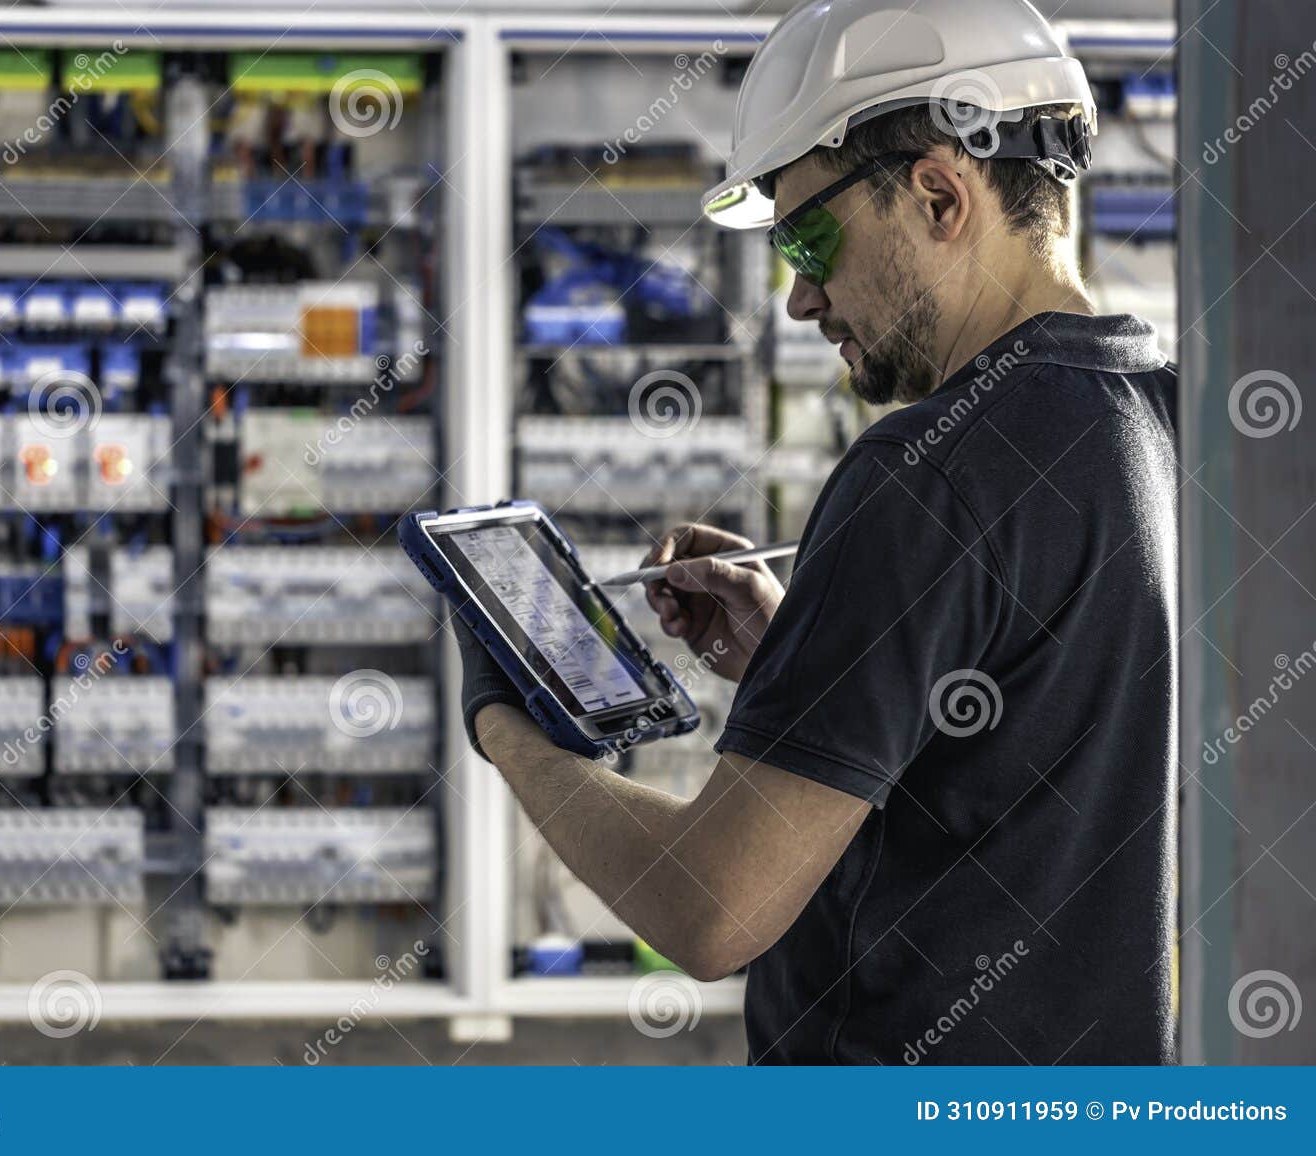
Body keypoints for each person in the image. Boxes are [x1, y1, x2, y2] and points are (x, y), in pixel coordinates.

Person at [455, 0, 1178, 1064]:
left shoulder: (926, 471)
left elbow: (710, 911)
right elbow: (1039, 734)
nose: (799, 299)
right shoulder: (1167, 412)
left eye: (808, 237)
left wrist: (508, 723)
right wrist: (810, 653)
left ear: (938, 193)